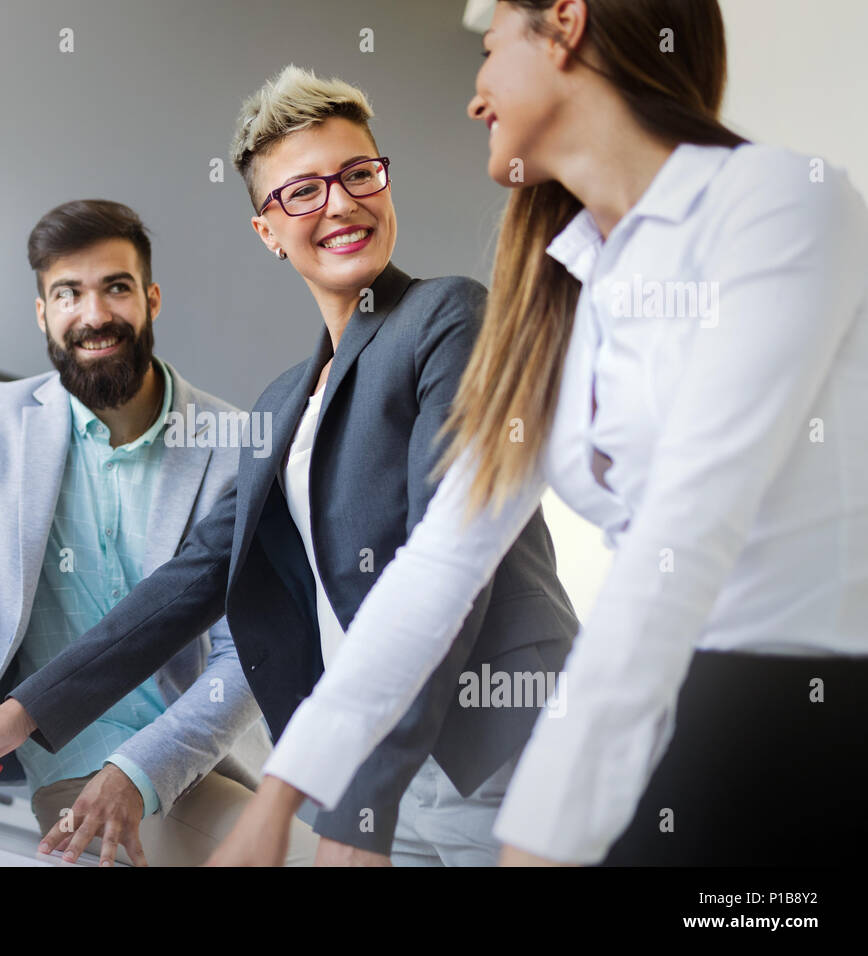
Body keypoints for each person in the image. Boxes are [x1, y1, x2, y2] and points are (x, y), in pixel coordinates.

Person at [209, 0, 868, 866]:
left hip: (791, 715)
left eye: (489, 50)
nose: (476, 97)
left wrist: (533, 840)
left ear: (565, 23)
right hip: (666, 715)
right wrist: (283, 796)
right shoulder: (564, 283)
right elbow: (441, 564)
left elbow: (684, 537)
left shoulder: (777, 203)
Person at [0, 66, 579, 867]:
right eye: (301, 192)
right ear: (268, 231)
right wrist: (19, 716)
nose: (339, 204)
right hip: (384, 763)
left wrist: (347, 798)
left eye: (359, 174)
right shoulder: (279, 405)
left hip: (498, 740)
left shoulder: (448, 318)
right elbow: (196, 576)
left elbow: (446, 571)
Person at [0, 199, 318, 867]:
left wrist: (142, 773)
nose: (94, 315)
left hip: (198, 755)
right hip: (69, 757)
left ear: (150, 300)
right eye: (69, 294)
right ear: (43, 314)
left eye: (116, 288)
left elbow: (250, 653)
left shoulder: (239, 442)